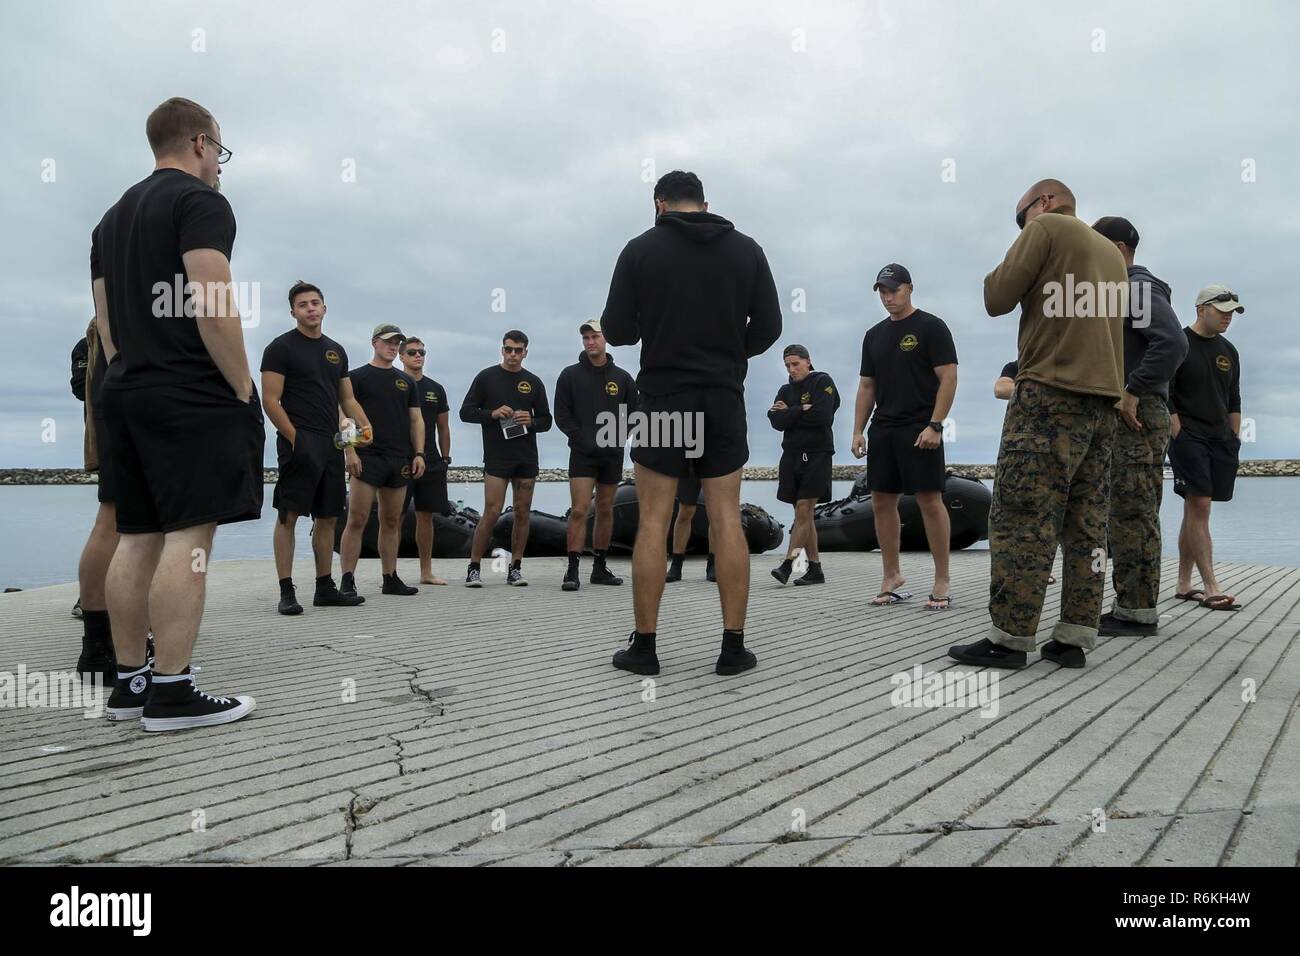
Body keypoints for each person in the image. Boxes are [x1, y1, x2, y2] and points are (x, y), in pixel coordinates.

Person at [92, 96, 262, 730]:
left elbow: (107, 324)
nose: (220, 163)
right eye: (220, 150)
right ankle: (173, 692)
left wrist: (130, 373)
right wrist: (241, 387)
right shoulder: (200, 202)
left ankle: (130, 685)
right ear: (199, 143)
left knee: (136, 535)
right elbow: (212, 300)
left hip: (125, 390)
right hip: (188, 393)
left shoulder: (110, 220)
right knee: (190, 536)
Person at [601, 170, 782, 676]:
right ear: (704, 203)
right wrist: (730, 354)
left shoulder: (639, 250)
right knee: (725, 517)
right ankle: (732, 648)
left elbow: (616, 330)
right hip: (722, 395)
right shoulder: (746, 249)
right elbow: (770, 326)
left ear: (659, 203)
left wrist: (657, 328)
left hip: (663, 397)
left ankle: (645, 649)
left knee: (654, 521)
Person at [949, 178, 1126, 670]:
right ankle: (1074, 637)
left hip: (1049, 394)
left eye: (1019, 217)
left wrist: (1025, 239)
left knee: (1021, 517)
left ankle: (1009, 639)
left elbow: (996, 296)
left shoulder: (1046, 227)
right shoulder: (1111, 254)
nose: (1021, 226)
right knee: (1087, 525)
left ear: (1043, 202)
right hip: (1103, 403)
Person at [1092, 217, 1189, 635]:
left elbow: (1174, 342)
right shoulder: (1119, 290)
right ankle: (1129, 604)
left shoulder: (1137, 288)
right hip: (1128, 412)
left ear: (1117, 248)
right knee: (1124, 510)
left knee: (1133, 512)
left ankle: (1136, 611)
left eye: (1095, 247)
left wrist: (1134, 388)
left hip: (1136, 413)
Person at [260, 280, 373, 614]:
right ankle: (286, 591)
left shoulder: (336, 350)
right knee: (288, 515)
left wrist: (365, 425)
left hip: (331, 441)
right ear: (293, 312)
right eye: (302, 304)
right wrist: (295, 439)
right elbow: (270, 400)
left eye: (314, 303)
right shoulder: (280, 348)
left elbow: (347, 398)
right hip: (299, 440)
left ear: (324, 308)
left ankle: (325, 587)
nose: (310, 309)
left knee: (327, 517)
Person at [850, 264, 958, 611]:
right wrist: (858, 430)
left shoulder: (931, 327)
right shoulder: (874, 335)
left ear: (909, 288)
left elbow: (948, 378)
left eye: (893, 290)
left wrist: (936, 425)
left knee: (929, 500)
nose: (888, 297)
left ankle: (942, 579)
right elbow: (867, 385)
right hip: (884, 427)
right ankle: (892, 576)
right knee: (881, 501)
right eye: (882, 291)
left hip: (920, 426)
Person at [1167, 285, 1246, 612]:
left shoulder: (1229, 350)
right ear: (1201, 309)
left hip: (1221, 439)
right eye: (1222, 310)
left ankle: (1184, 583)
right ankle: (1212, 586)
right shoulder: (1179, 343)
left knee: (1194, 508)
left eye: (1232, 312)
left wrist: (1234, 436)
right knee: (1200, 505)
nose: (1228, 317)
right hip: (1189, 437)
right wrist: (1178, 433)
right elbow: (1166, 392)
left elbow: (1233, 397)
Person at [460, 330, 552, 587]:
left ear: (525, 352)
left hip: (525, 456)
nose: (513, 354)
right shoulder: (486, 377)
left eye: (518, 350)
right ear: (502, 350)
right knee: (492, 511)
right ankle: (474, 567)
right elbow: (465, 412)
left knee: (522, 513)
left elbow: (547, 420)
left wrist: (531, 421)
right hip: (497, 457)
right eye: (509, 349)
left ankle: (516, 568)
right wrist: (492, 414)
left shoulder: (533, 382)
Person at [338, 324, 425, 597]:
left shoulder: (406, 381)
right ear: (374, 342)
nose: (392, 347)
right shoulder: (356, 377)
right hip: (367, 457)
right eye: (388, 342)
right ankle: (347, 580)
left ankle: (390, 577)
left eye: (396, 343)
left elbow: (416, 420)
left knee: (391, 520)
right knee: (357, 519)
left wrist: (419, 453)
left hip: (398, 458)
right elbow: (344, 416)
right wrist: (349, 451)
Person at [554, 318, 636, 591]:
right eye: (586, 338)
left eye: (595, 337)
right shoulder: (569, 375)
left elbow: (635, 414)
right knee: (579, 510)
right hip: (582, 454)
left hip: (612, 454)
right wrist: (582, 438)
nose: (590, 342)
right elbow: (562, 415)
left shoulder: (623, 378)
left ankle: (600, 567)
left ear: (605, 339)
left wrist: (618, 436)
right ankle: (572, 570)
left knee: (605, 509)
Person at [72, 318, 124, 680]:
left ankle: (103, 639)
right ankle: (98, 639)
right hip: (124, 430)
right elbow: (81, 387)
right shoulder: (95, 335)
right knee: (115, 521)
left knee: (122, 525)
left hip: (118, 428)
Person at [768, 344, 839, 586]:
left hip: (817, 453)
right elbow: (775, 421)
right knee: (803, 514)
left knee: (803, 508)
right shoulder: (785, 390)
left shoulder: (822, 381)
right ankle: (815, 569)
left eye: (796, 364)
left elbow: (823, 416)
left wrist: (790, 413)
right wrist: (800, 410)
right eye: (787, 365)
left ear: (808, 362)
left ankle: (788, 564)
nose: (791, 369)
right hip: (791, 456)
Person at [399, 336, 453, 585]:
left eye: (421, 352)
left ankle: (426, 572)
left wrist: (445, 458)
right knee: (395, 516)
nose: (418, 356)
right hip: (400, 456)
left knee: (426, 516)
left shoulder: (435, 389)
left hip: (431, 459)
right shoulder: (395, 384)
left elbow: (443, 427)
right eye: (412, 352)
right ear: (401, 356)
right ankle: (389, 572)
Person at [664, 475, 715, 583]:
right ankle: (676, 565)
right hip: (689, 466)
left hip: (715, 465)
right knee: (686, 510)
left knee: (715, 513)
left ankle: (713, 564)